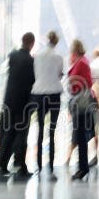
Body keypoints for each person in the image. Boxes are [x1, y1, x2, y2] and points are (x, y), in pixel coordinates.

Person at [0, 32, 36, 178]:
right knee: (22, 134)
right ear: (32, 44)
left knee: (9, 133)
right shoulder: (31, 61)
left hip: (9, 101)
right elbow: (32, 81)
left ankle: (2, 163)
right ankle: (20, 165)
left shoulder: (12, 56)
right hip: (23, 103)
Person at [30, 31, 63, 174]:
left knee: (40, 128)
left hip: (39, 93)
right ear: (56, 42)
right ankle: (50, 164)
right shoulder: (59, 57)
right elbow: (59, 74)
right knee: (52, 130)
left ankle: (38, 163)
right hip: (54, 93)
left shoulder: (37, 56)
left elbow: (35, 73)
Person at [67, 40, 95, 180]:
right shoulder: (82, 61)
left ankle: (83, 168)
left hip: (81, 103)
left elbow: (86, 82)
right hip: (82, 102)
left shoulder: (81, 63)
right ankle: (82, 167)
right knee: (80, 135)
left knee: (80, 135)